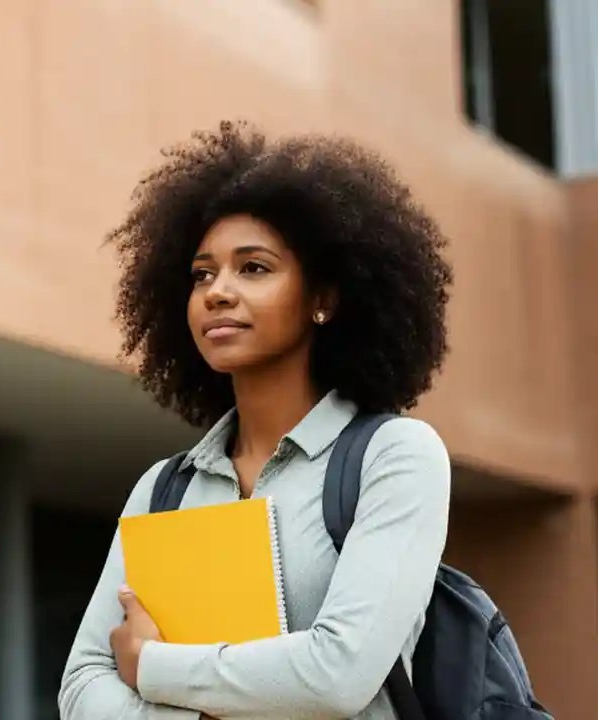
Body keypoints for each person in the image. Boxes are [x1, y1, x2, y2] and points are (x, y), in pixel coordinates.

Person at [58, 122, 455, 720]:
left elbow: (338, 675)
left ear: (323, 299)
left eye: (254, 268)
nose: (217, 291)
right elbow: (81, 685)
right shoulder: (164, 489)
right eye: (202, 274)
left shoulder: (394, 456)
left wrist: (152, 667)